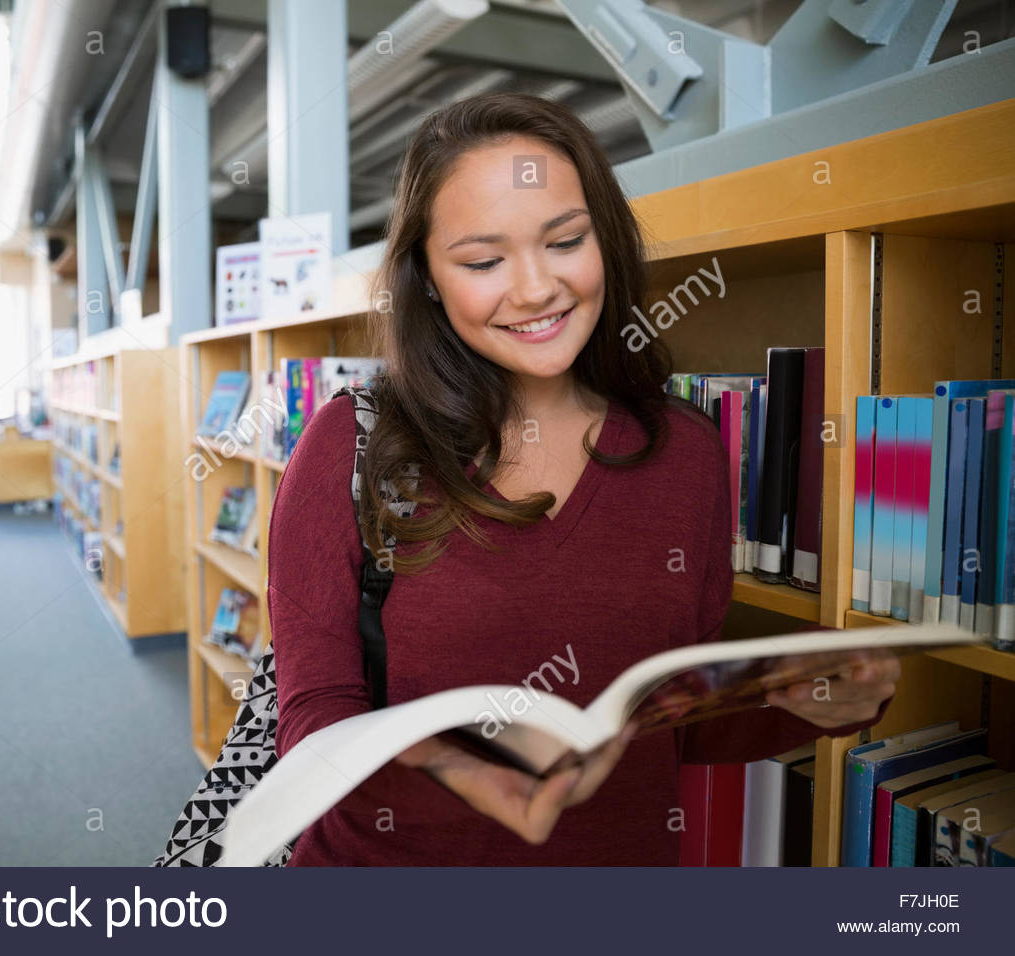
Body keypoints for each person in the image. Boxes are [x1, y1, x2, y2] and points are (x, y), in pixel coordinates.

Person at [266, 92, 899, 866]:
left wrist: (815, 698)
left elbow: (673, 723)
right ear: (426, 278)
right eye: (483, 261)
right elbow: (313, 722)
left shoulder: (689, 455)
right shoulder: (351, 447)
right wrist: (460, 768)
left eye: (565, 241)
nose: (535, 290)